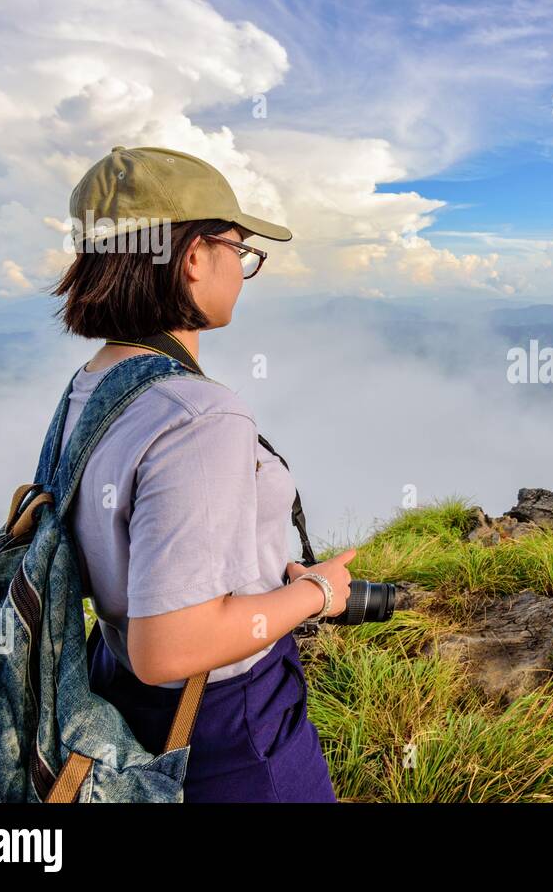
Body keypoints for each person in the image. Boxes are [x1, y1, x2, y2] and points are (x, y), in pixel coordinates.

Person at [43, 145, 354, 801]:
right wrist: (318, 594)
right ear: (192, 256)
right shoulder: (197, 415)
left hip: (116, 684)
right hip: (222, 719)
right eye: (239, 250)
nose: (242, 269)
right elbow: (172, 645)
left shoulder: (91, 388)